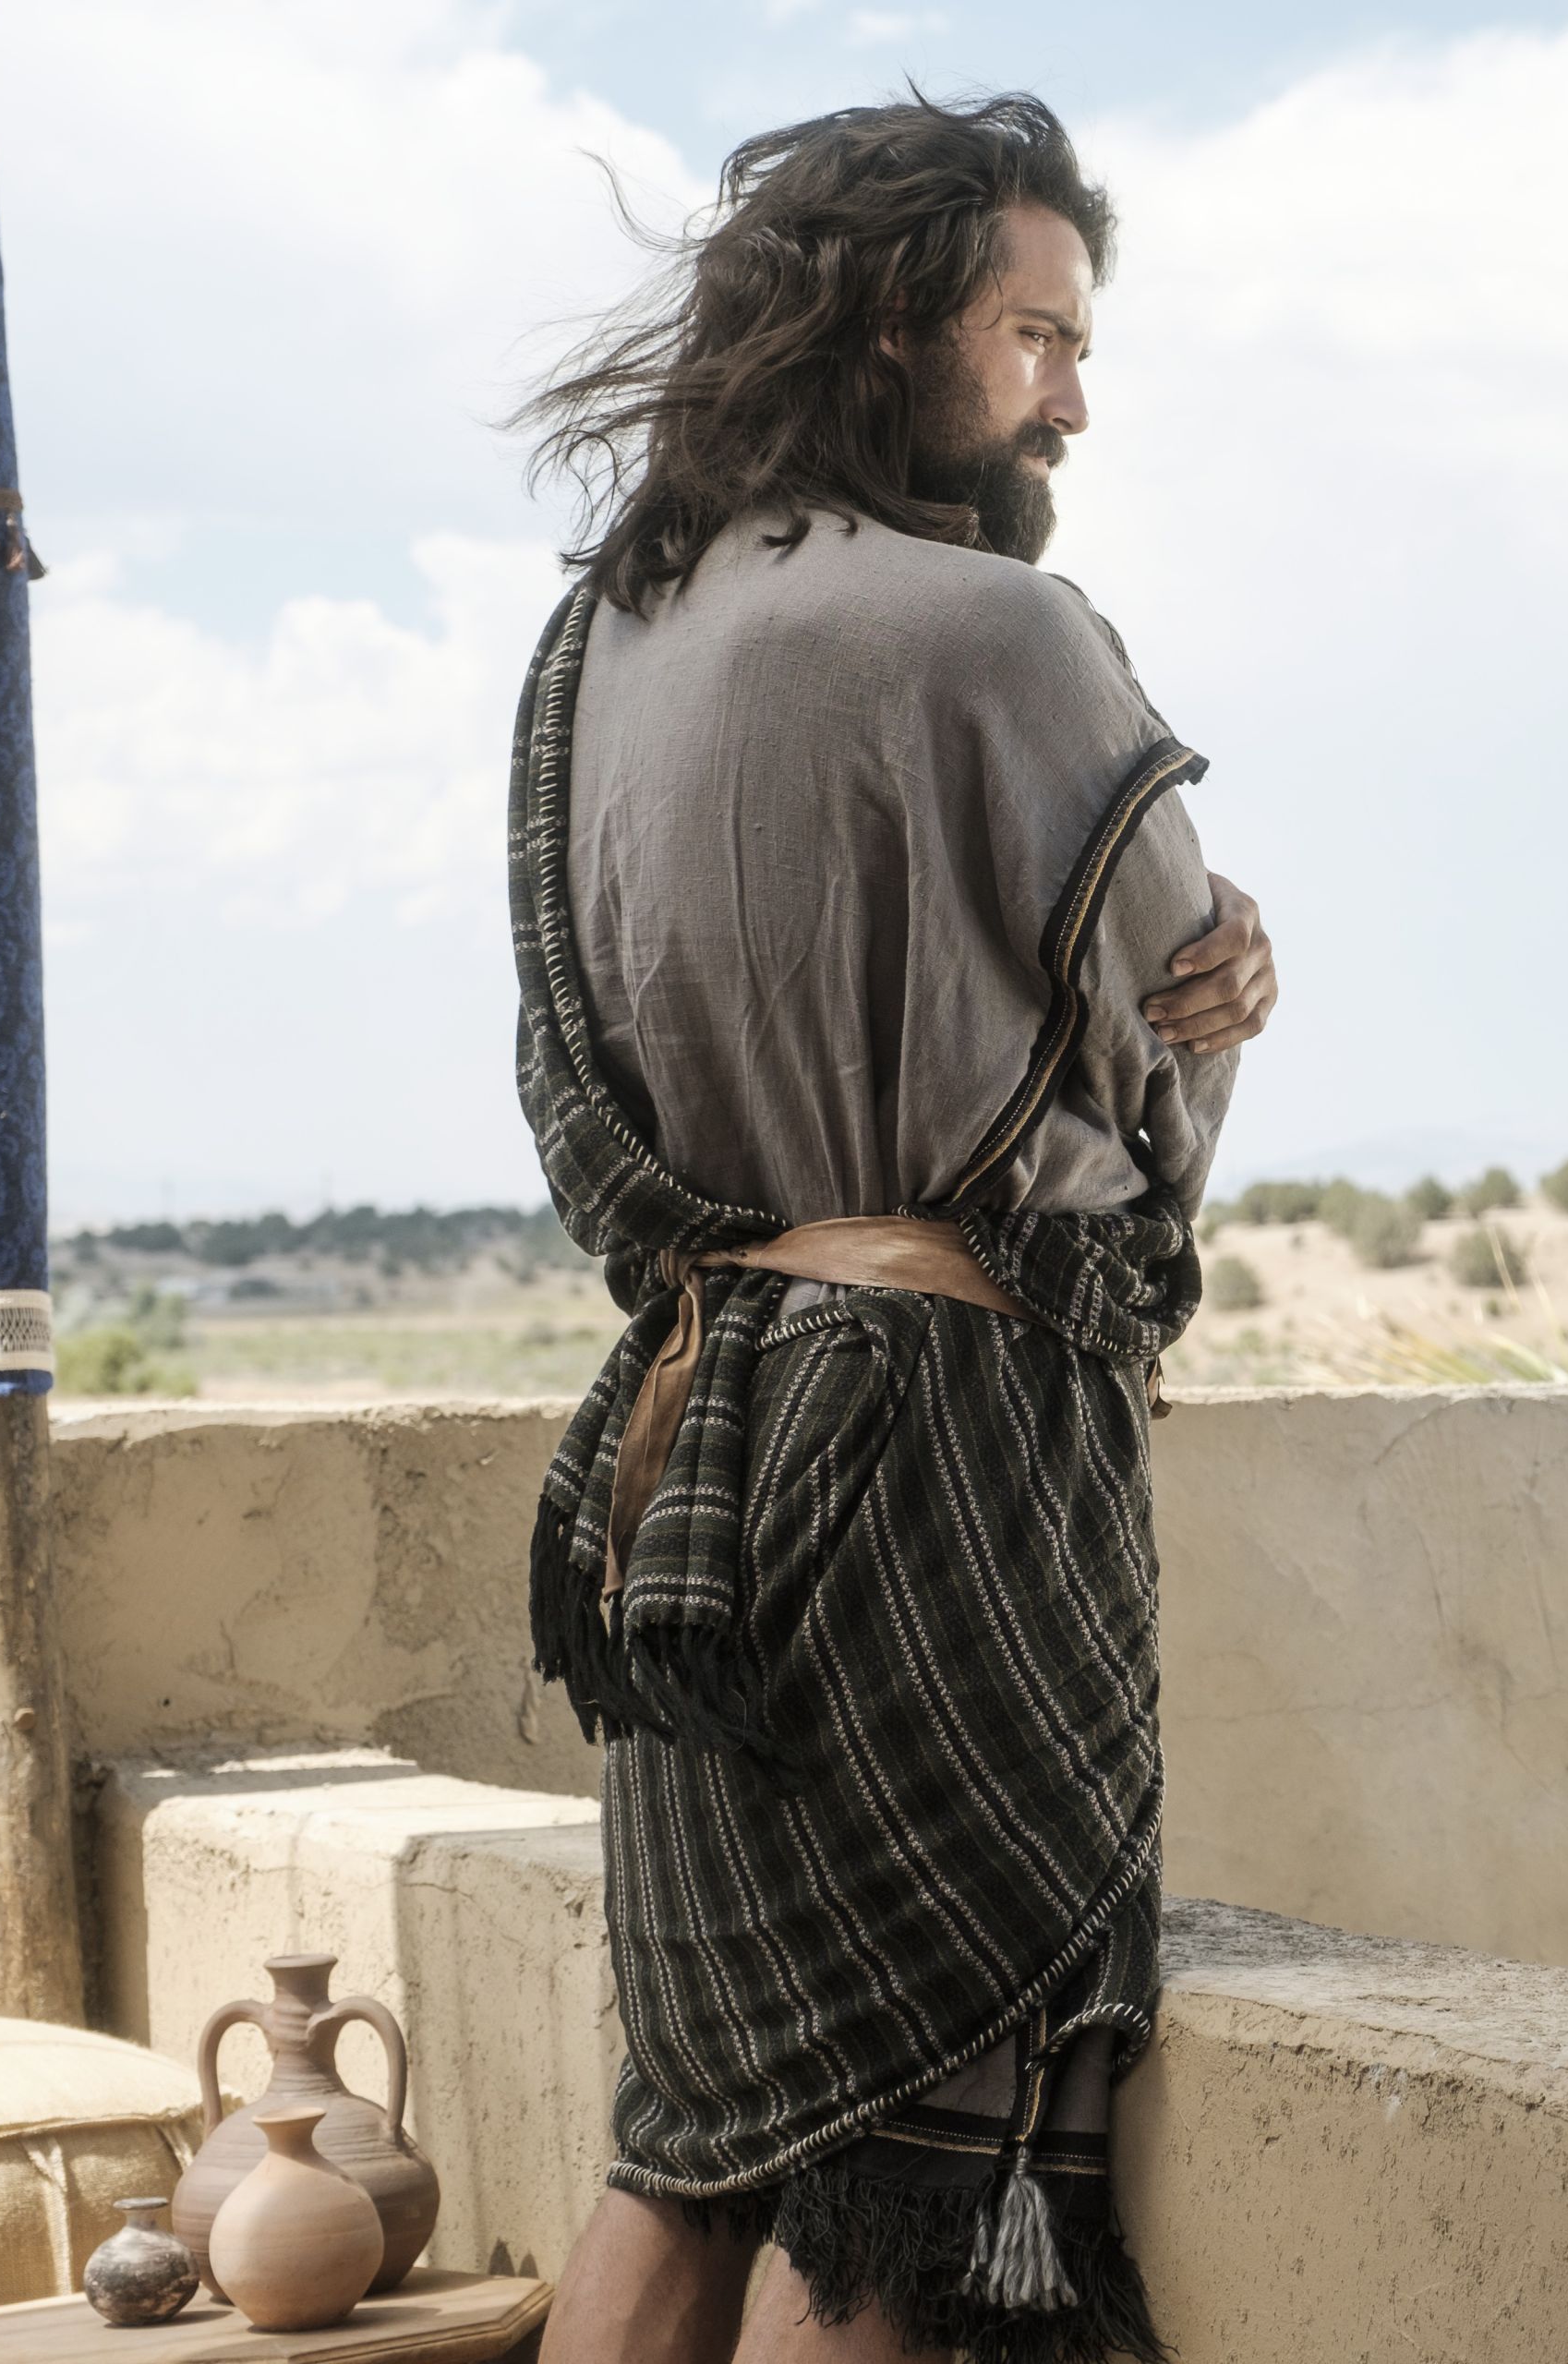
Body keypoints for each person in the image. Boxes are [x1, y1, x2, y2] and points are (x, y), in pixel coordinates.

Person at [503, 96, 1276, 2364]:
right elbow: (1142, 1079)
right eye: (1038, 336)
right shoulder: (1006, 634)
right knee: (922, 2167)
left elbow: (570, 1072)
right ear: (888, 326)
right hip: (943, 1455)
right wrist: (1232, 979)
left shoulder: (599, 647)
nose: (1072, 399)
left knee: (693, 2135)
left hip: (687, 1459)